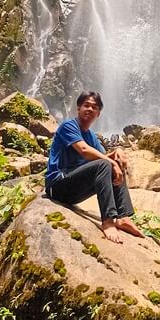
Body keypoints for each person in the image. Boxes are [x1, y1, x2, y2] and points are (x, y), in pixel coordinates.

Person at [45, 90, 143, 244]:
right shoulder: (68, 126)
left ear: (99, 114)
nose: (90, 109)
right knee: (105, 164)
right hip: (57, 186)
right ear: (78, 108)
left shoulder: (90, 135)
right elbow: (84, 151)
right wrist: (110, 162)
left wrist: (118, 152)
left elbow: (104, 156)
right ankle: (108, 221)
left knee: (113, 163)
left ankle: (123, 217)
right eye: (86, 105)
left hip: (73, 191)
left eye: (94, 107)